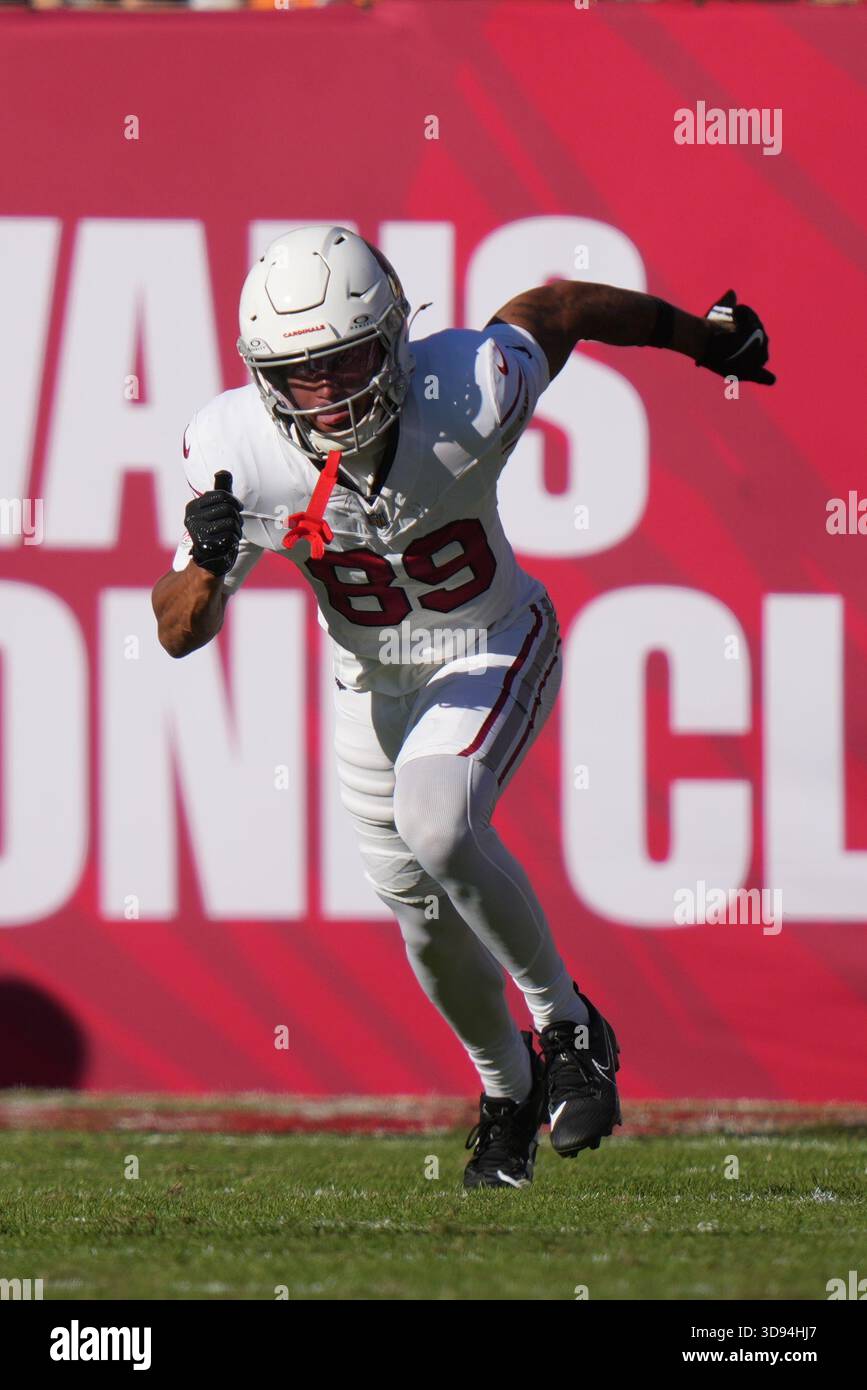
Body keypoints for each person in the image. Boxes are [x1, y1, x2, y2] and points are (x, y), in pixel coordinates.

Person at [152, 225, 773, 1187]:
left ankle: (570, 1027)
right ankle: (506, 1094)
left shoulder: (471, 386)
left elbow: (561, 307)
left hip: (491, 638)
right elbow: (177, 631)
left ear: (395, 340)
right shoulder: (236, 449)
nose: (330, 391)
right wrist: (205, 557)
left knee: (437, 819)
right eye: (303, 373)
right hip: (372, 682)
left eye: (348, 360)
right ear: (265, 377)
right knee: (422, 918)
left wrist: (701, 338)